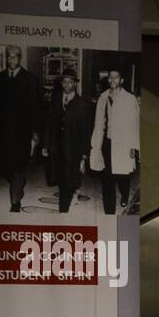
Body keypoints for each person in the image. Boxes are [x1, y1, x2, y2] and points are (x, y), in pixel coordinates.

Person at [0, 45, 41, 212]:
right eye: (9, 57)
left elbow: (36, 108)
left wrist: (35, 132)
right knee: (4, 167)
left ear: (20, 59)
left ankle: (15, 201)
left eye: (15, 57)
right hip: (3, 132)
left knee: (19, 166)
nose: (12, 60)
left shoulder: (30, 80)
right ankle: (19, 183)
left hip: (22, 132)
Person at [90, 68, 140, 214]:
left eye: (116, 77)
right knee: (107, 178)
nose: (112, 80)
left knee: (123, 175)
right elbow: (98, 122)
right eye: (110, 77)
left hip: (123, 143)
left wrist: (133, 146)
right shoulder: (103, 97)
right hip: (106, 142)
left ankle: (124, 194)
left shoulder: (130, 99)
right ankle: (109, 212)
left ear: (122, 80)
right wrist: (95, 144)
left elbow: (135, 124)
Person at [44, 68, 93, 212]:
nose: (67, 85)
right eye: (64, 82)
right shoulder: (55, 100)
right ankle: (69, 196)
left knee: (69, 179)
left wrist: (85, 153)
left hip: (73, 149)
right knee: (60, 177)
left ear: (75, 84)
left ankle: (64, 208)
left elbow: (87, 131)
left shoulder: (83, 104)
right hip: (57, 147)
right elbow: (49, 124)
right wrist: (45, 145)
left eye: (70, 82)